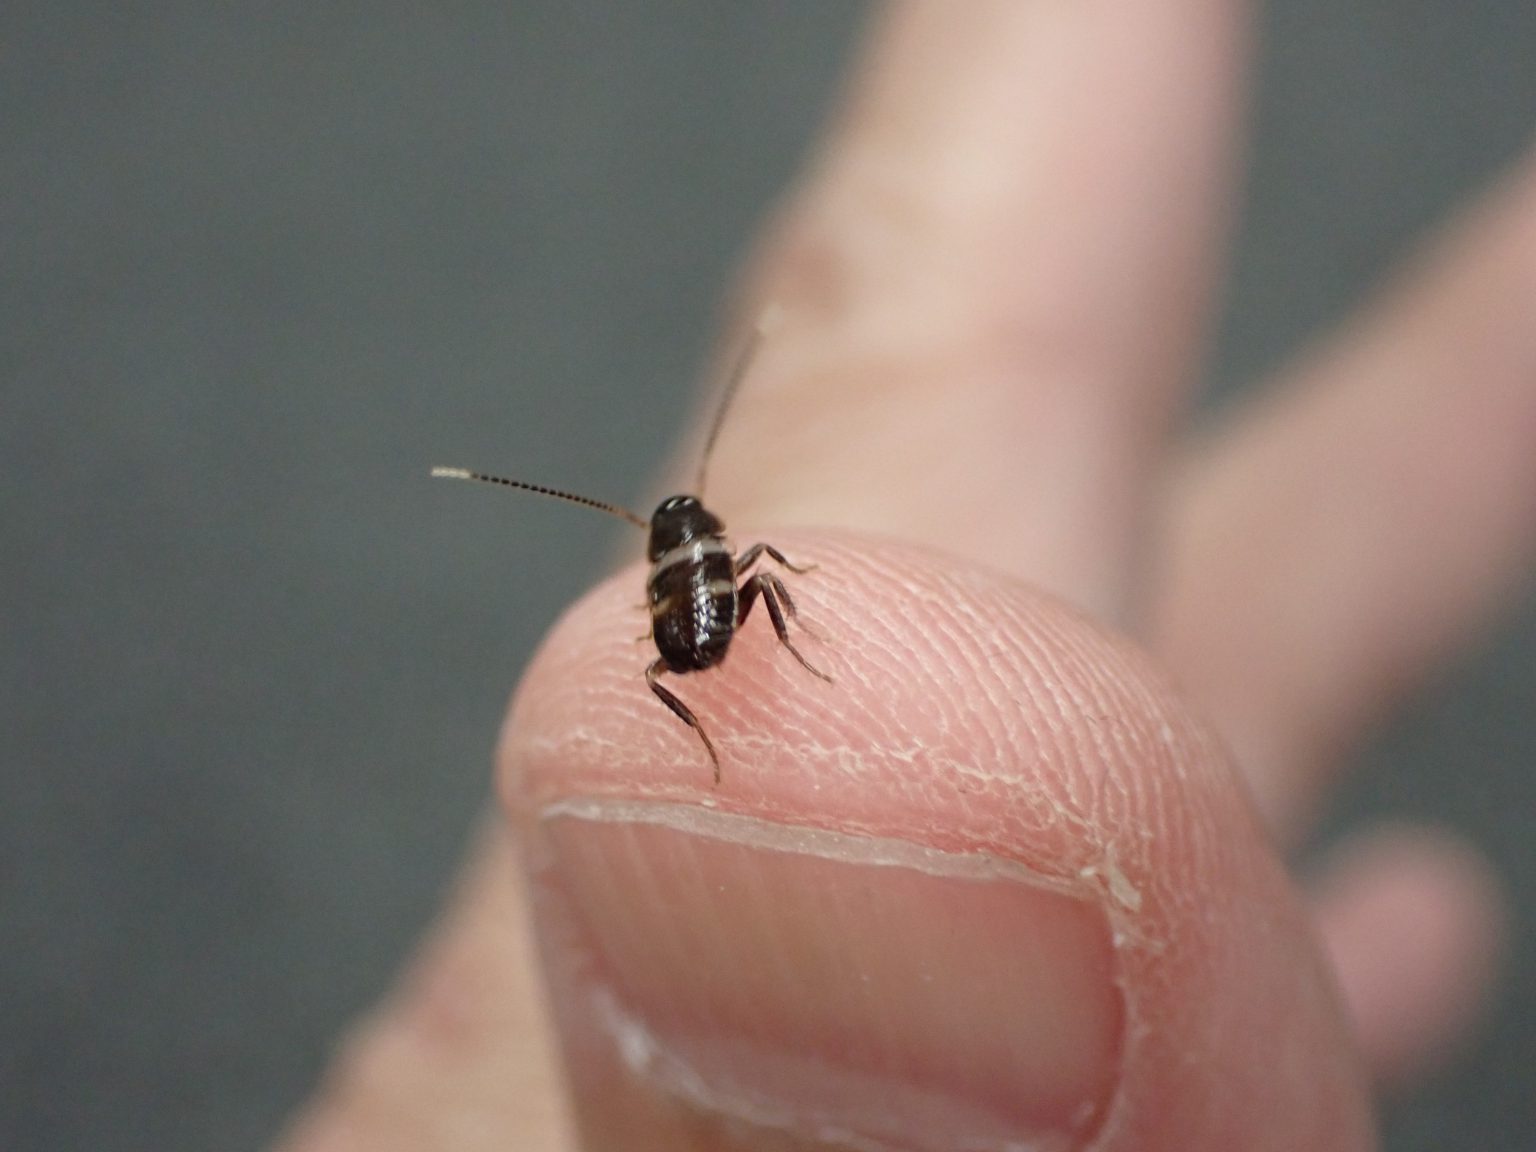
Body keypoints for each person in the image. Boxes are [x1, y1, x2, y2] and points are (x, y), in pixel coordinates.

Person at [279, 3, 1523, 1148]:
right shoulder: (710, 558)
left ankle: (756, 692)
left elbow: (699, 598)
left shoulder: (696, 567)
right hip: (707, 659)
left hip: (701, 655)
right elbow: (711, 590)